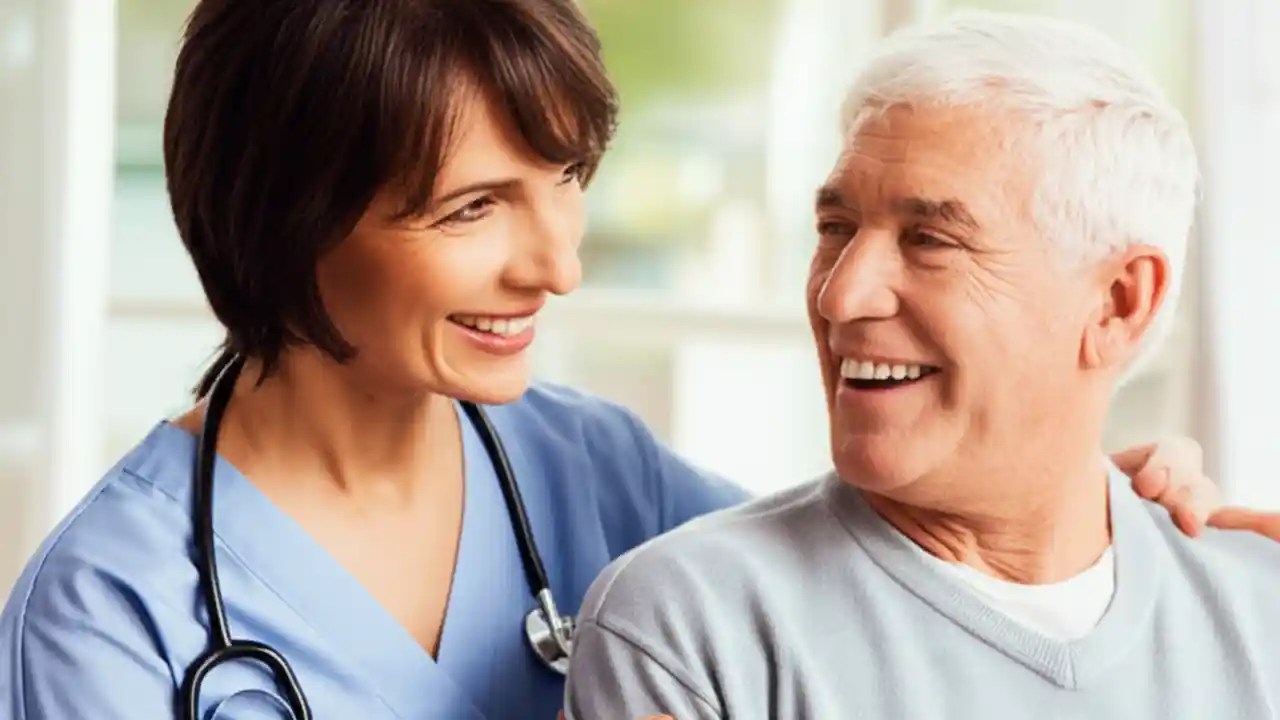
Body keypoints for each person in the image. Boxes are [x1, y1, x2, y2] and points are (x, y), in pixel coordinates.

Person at [0, 3, 1252, 719]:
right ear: (287, 220)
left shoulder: (594, 471)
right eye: (473, 208)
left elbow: (872, 588)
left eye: (564, 179)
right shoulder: (111, 610)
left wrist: (1087, 497)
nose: (557, 265)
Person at [564, 11, 1280, 720]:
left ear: (1119, 303)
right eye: (835, 228)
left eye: (930, 239)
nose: (841, 295)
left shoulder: (1258, 604)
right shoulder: (693, 629)